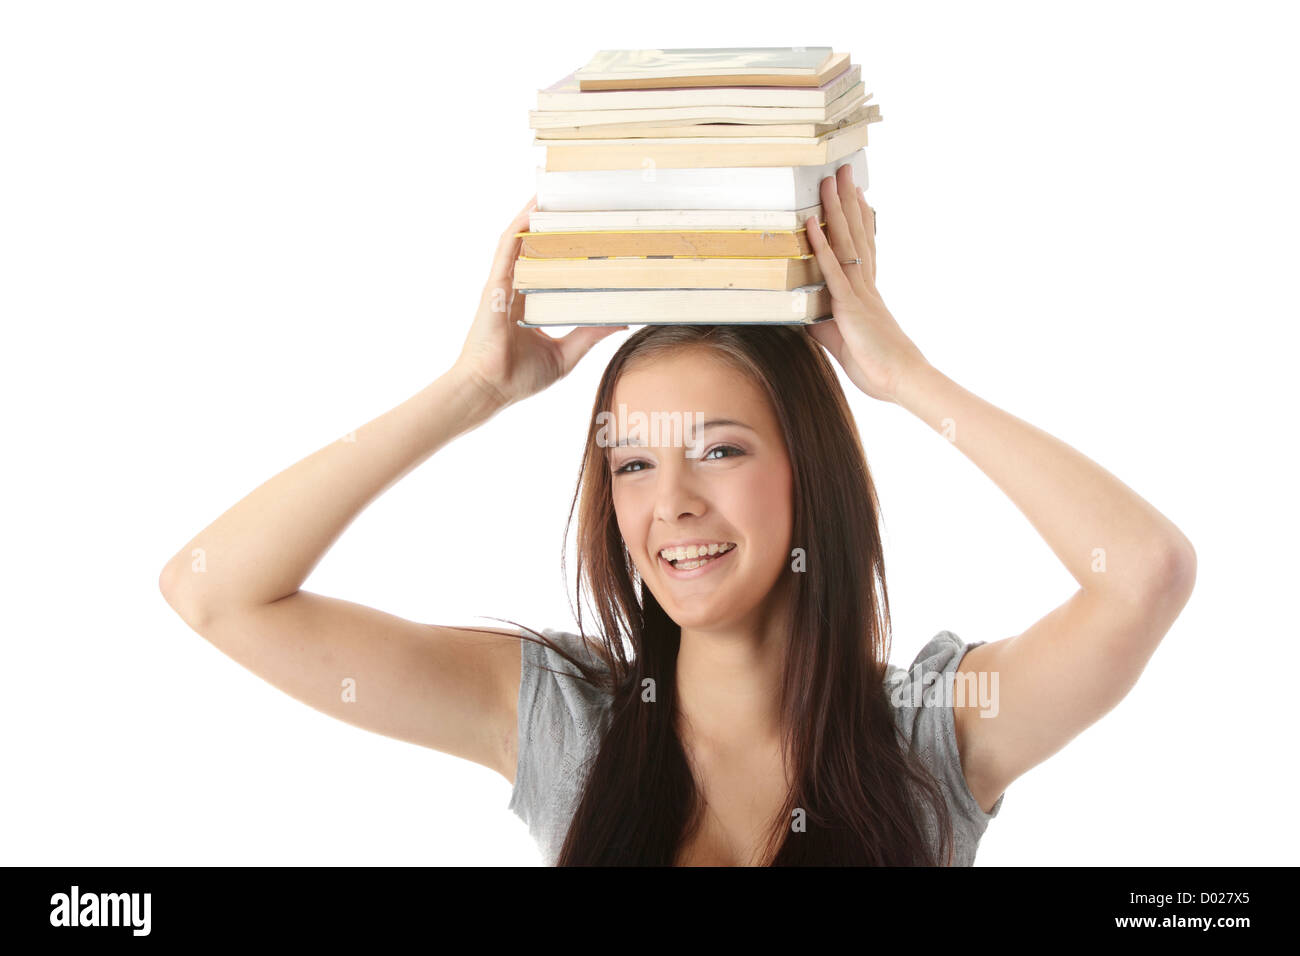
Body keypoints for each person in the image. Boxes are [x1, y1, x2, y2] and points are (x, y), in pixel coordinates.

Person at [159, 165, 1197, 865]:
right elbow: (214, 591)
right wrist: (471, 388)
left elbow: (1142, 571)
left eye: (719, 449)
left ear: (810, 474)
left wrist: (905, 377)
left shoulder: (935, 730)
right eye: (633, 462)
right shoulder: (560, 722)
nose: (672, 505)